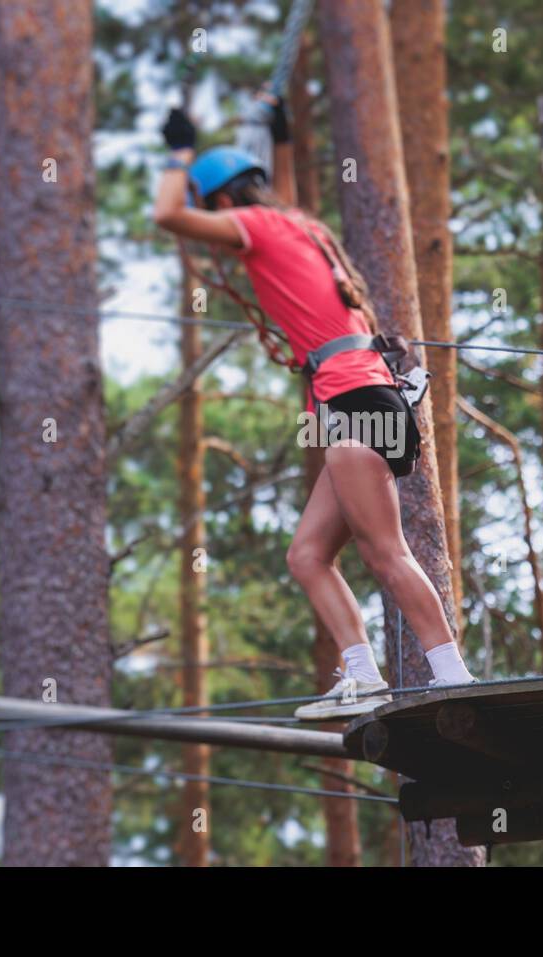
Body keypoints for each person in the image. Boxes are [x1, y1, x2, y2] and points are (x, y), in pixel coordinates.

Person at [151, 100, 476, 718]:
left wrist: (177, 151)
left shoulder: (255, 225)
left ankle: (452, 676)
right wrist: (283, 140)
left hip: (355, 398)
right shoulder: (301, 226)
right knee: (306, 555)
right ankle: (361, 674)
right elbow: (283, 200)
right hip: (366, 395)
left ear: (222, 204)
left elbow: (169, 214)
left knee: (386, 550)